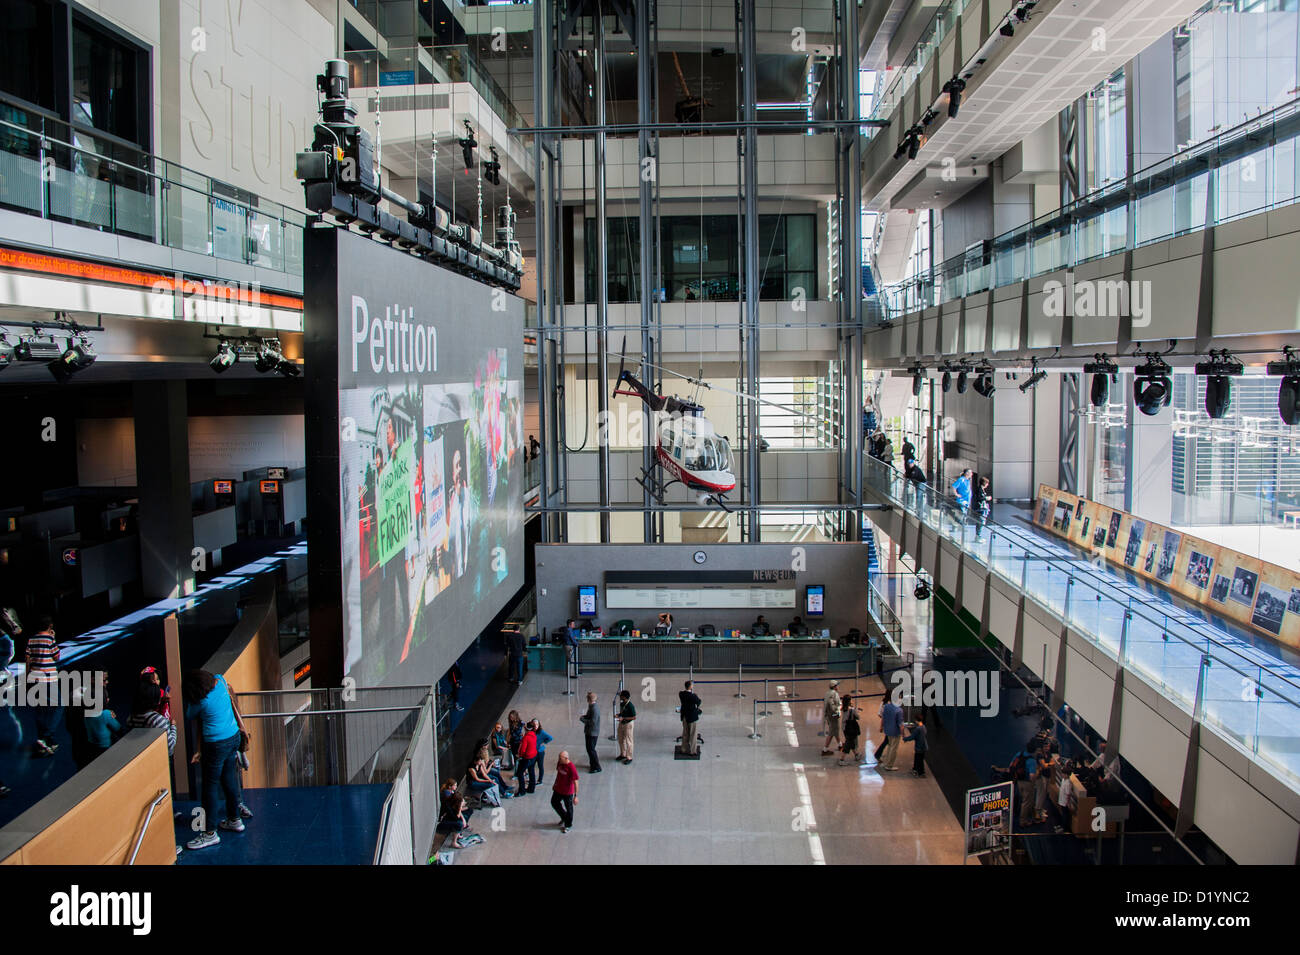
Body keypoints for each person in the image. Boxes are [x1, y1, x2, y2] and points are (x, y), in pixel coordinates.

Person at [183, 669, 248, 850]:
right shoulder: (219, 680)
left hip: (215, 744)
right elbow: (221, 679)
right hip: (233, 737)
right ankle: (235, 819)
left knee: (209, 788)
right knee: (229, 780)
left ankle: (209, 833)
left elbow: (189, 714)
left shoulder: (201, 702)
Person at [24, 615, 61, 757]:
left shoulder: (31, 640)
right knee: (58, 706)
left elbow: (28, 659)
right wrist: (54, 639)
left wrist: (27, 678)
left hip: (34, 677)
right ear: (50, 626)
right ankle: (46, 736)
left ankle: (44, 742)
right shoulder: (50, 639)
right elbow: (57, 657)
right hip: (48, 678)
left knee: (40, 709)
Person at [126, 682, 177, 757]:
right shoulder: (158, 720)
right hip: (157, 760)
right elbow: (170, 746)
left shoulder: (131, 718)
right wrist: (173, 726)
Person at [80, 672, 120, 765]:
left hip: (92, 746)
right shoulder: (105, 714)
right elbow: (118, 729)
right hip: (105, 746)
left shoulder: (86, 713)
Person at [438, 777, 474, 848]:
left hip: (453, 812)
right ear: (450, 786)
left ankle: (461, 830)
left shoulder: (452, 792)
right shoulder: (447, 797)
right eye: (455, 785)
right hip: (444, 818)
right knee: (459, 822)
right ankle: (454, 842)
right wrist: (460, 808)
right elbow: (456, 815)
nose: (456, 787)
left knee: (469, 810)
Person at [551, 750, 580, 832]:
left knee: (569, 808)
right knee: (554, 802)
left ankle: (568, 824)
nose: (559, 759)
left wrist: (576, 796)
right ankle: (564, 817)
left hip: (568, 792)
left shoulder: (571, 767)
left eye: (560, 758)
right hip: (559, 789)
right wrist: (555, 784)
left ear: (566, 758)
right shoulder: (560, 763)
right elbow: (558, 774)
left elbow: (576, 782)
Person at [878, 697, 904, 771]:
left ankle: (886, 762)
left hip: (887, 730)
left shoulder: (887, 706)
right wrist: (903, 734)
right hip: (895, 732)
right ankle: (889, 765)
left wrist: (881, 727)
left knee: (889, 746)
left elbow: (883, 717)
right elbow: (900, 724)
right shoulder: (899, 710)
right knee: (893, 748)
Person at [515, 720, 539, 795]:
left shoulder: (526, 737)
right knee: (531, 771)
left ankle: (521, 791)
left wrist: (519, 755)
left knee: (520, 773)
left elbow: (523, 749)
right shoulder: (534, 735)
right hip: (533, 756)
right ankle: (531, 788)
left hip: (527, 758)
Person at [580, 691, 602, 772]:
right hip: (590, 732)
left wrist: (583, 719)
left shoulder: (594, 709)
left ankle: (596, 766)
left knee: (591, 749)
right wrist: (585, 717)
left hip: (592, 732)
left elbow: (592, 722)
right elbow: (590, 717)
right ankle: (593, 764)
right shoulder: (592, 706)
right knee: (590, 749)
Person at [679, 680, 701, 756]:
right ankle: (693, 751)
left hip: (685, 716)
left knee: (685, 733)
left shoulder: (681, 694)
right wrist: (696, 696)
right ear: (690, 687)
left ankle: (683, 749)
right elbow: (698, 702)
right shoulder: (693, 696)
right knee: (693, 734)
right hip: (692, 717)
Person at [838, 695, 862, 766]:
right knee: (848, 743)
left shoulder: (843, 708)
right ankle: (842, 759)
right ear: (849, 701)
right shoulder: (852, 709)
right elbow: (858, 717)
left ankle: (856, 754)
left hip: (844, 727)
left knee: (850, 741)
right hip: (851, 729)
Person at [821, 681, 842, 755]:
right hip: (833, 716)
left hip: (829, 716)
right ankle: (825, 749)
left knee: (835, 730)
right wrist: (837, 712)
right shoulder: (834, 694)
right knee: (832, 732)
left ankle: (840, 745)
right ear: (834, 686)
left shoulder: (827, 693)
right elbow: (834, 705)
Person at [616, 689, 636, 764]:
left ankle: (629, 757)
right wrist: (618, 715)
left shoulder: (630, 706)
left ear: (624, 697)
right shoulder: (622, 704)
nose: (620, 696)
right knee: (621, 739)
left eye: (621, 695)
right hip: (622, 723)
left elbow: (634, 717)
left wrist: (623, 718)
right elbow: (622, 713)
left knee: (629, 741)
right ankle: (623, 754)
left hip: (628, 724)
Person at [531, 719, 554, 784]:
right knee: (531, 766)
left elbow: (550, 738)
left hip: (540, 752)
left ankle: (540, 780)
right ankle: (532, 780)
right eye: (534, 724)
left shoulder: (541, 732)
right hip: (533, 751)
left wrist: (544, 742)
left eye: (537, 724)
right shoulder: (531, 731)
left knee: (540, 766)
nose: (536, 726)